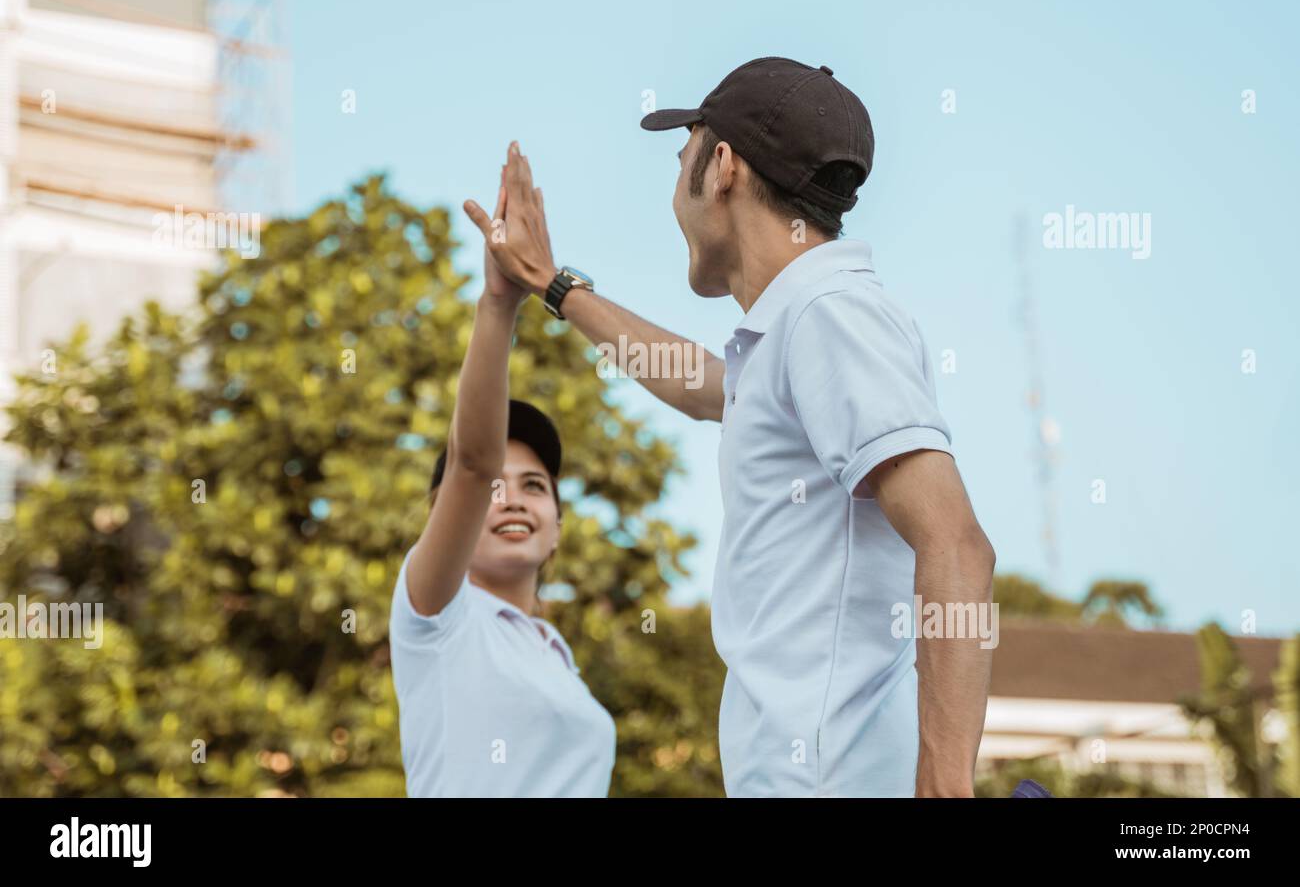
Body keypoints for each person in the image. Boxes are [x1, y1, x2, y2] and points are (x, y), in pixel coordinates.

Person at [478, 57, 996, 797]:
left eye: (681, 153)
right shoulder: (797, 329)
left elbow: (957, 544)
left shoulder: (829, 316)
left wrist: (945, 788)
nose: (674, 186)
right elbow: (700, 385)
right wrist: (552, 285)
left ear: (720, 165)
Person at [388, 171, 615, 797]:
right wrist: (500, 302)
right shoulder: (437, 615)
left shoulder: (555, 655)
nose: (511, 497)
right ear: (446, 514)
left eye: (536, 486)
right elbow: (471, 464)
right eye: (496, 488)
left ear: (559, 527)